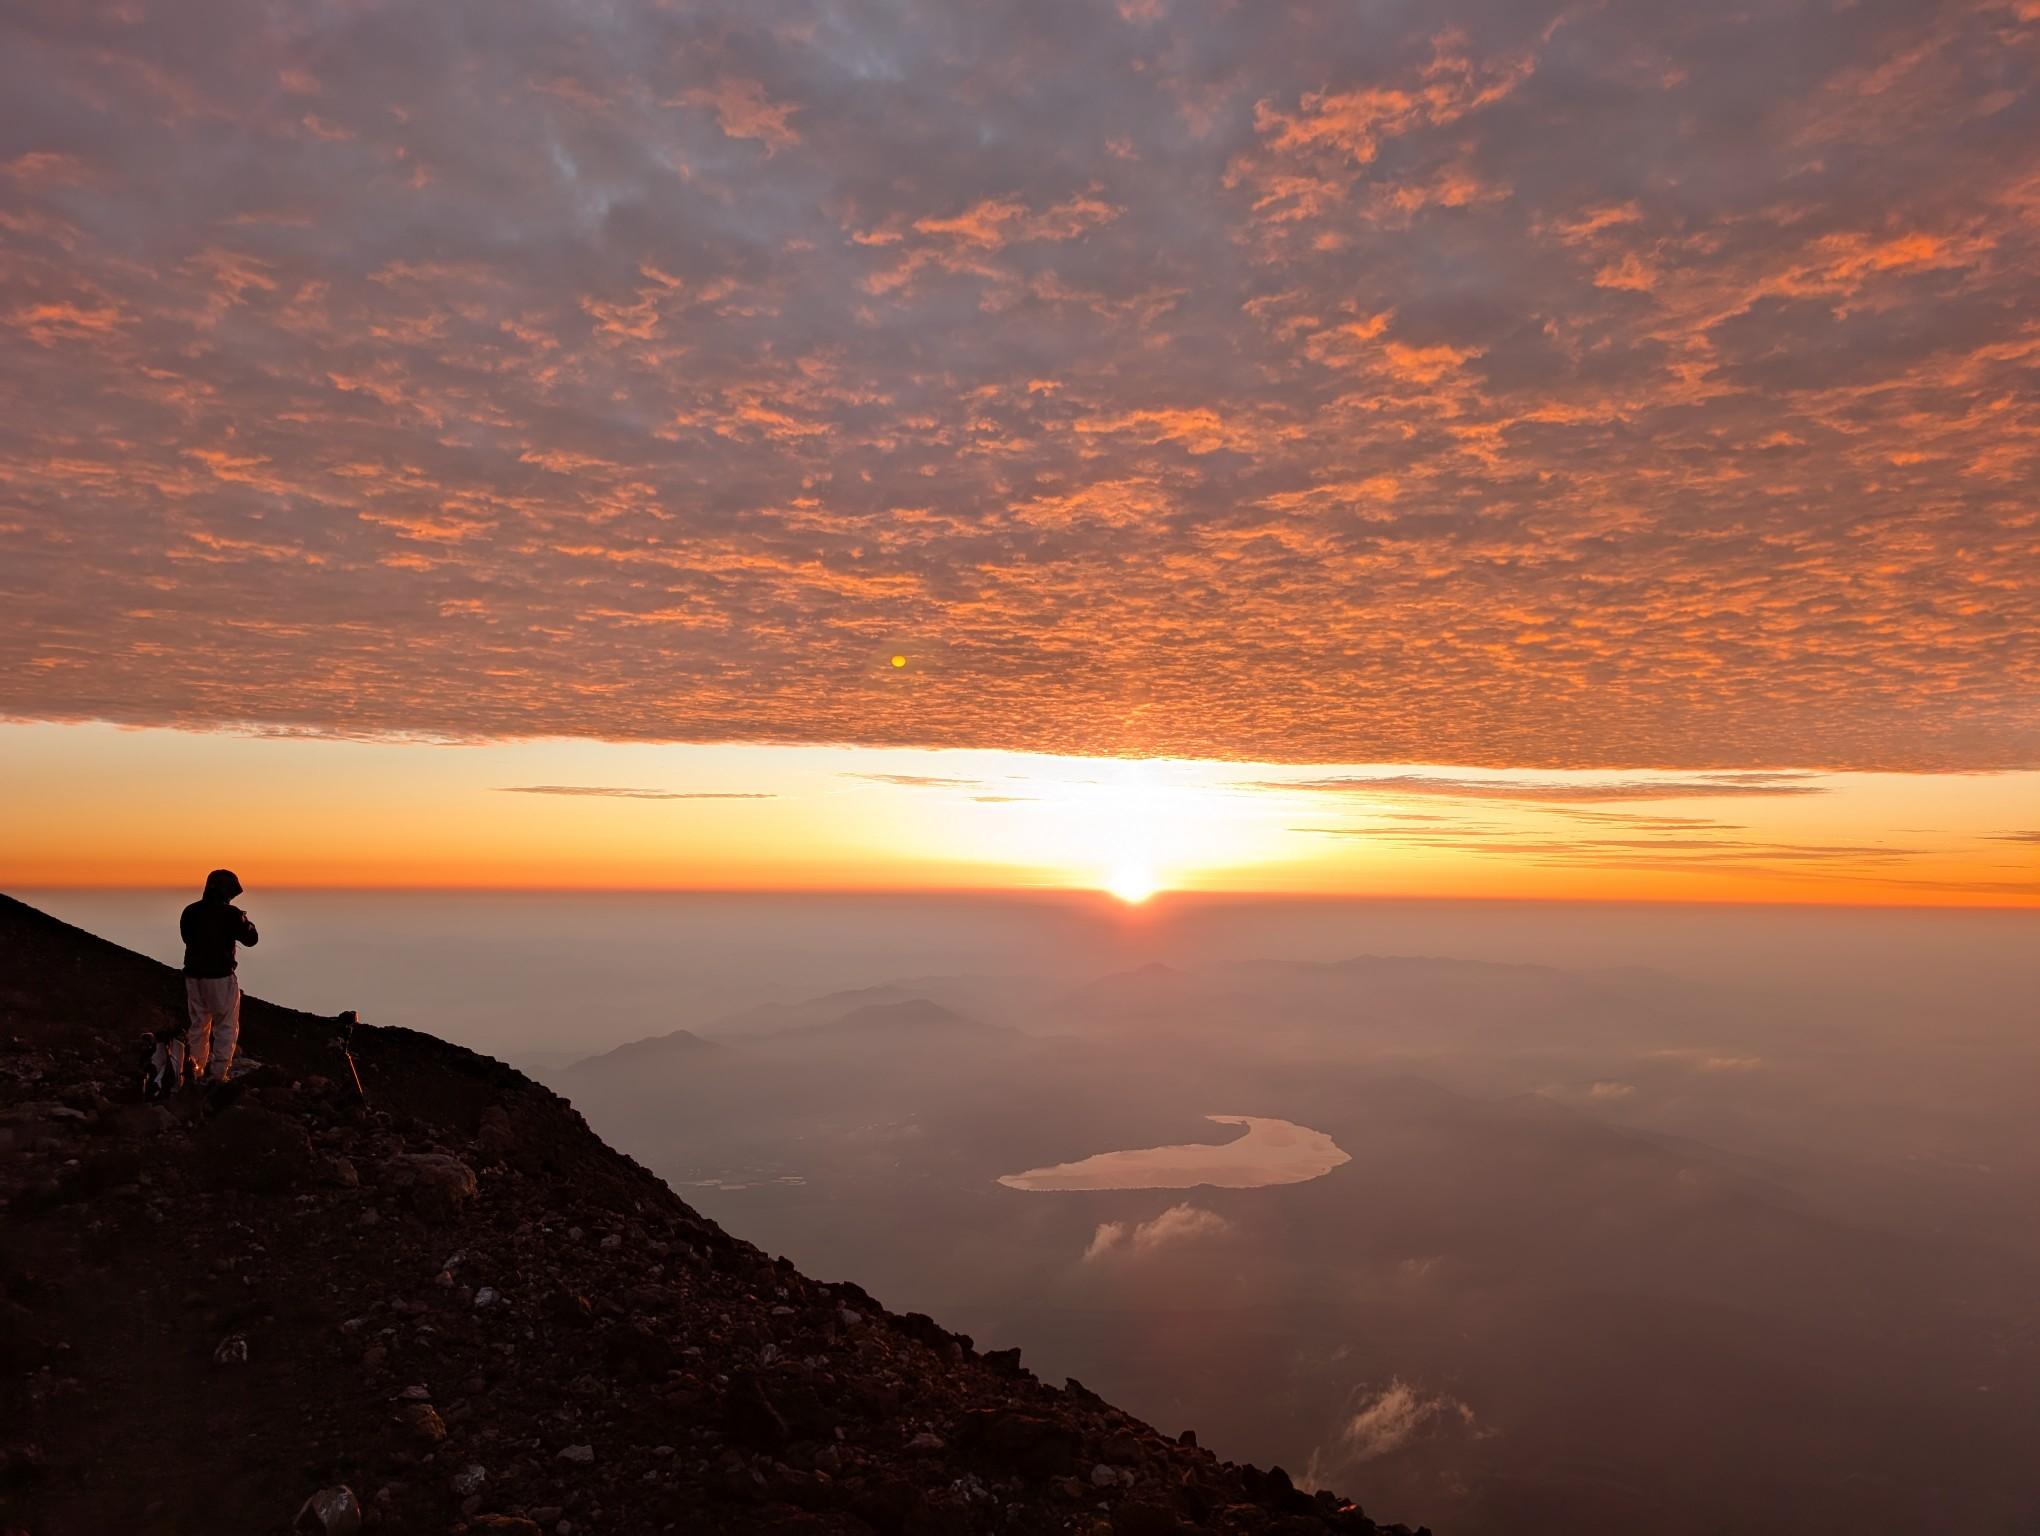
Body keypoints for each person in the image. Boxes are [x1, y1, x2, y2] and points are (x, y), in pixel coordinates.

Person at [176, 868, 259, 1087]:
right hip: (220, 976)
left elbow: (186, 937)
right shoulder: (230, 914)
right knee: (226, 1024)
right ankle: (218, 1073)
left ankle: (193, 1069)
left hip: (193, 975)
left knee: (198, 1024)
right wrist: (245, 921)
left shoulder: (190, 911)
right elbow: (251, 939)